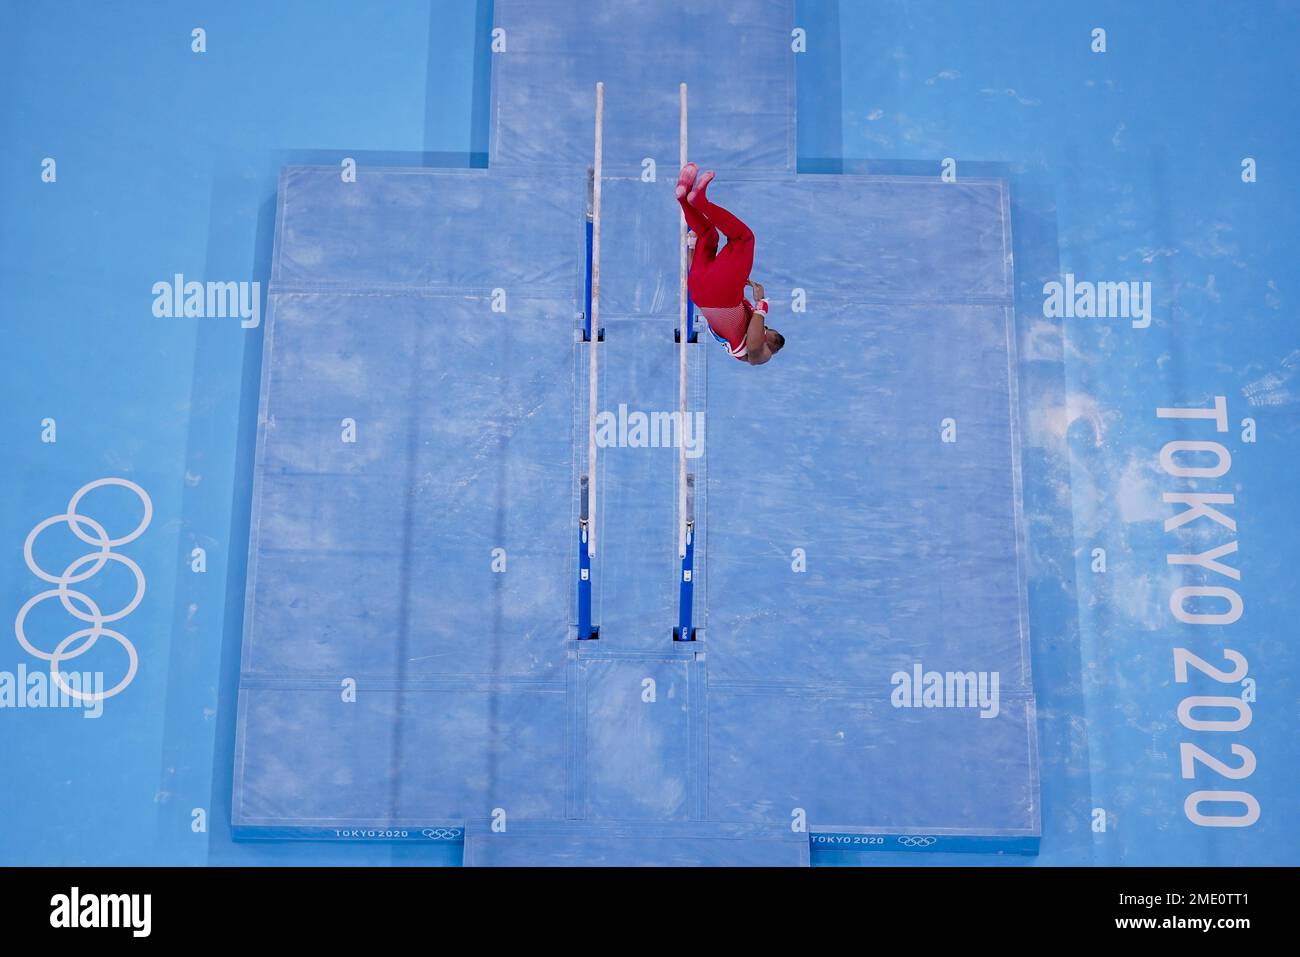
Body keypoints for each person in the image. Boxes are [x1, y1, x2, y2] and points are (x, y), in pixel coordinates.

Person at [676, 163, 784, 365]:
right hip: (699, 291)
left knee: (744, 239)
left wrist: (762, 304)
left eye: (767, 330)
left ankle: (700, 201)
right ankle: (683, 197)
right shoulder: (742, 325)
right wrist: (692, 250)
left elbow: (755, 347)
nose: (764, 328)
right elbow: (701, 284)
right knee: (707, 235)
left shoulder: (756, 354)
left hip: (719, 296)